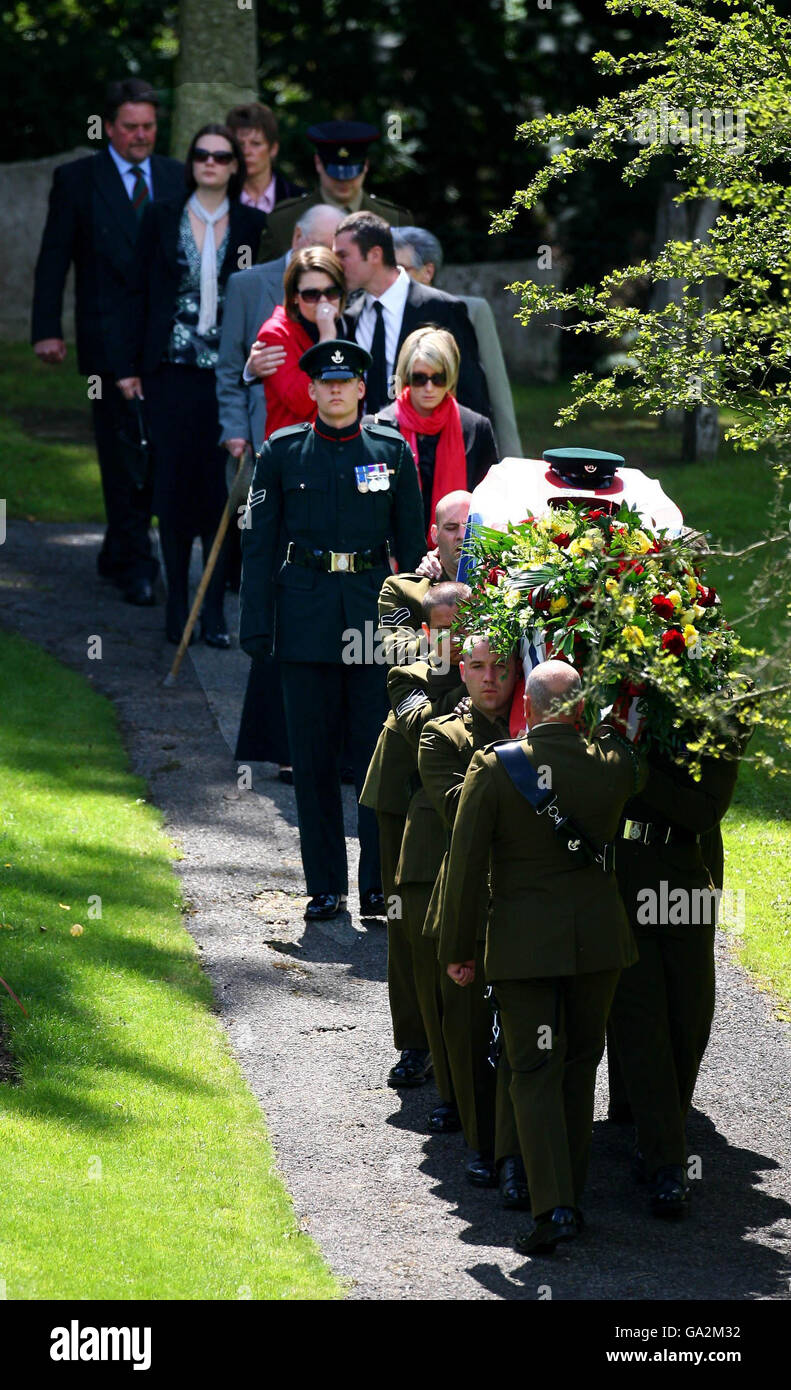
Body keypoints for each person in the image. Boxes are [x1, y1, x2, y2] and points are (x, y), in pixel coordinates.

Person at [440, 661, 645, 1254]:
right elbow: (627, 757)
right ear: (581, 709)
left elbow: (466, 866)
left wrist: (459, 949)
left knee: (532, 1070)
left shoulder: (495, 768)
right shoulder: (614, 767)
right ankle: (573, 1197)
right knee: (579, 1066)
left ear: (525, 708)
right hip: (598, 947)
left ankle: (552, 1205)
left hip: (523, 950)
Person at [239, 339, 425, 921]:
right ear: (313, 390)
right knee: (313, 759)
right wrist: (256, 625)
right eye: (327, 382)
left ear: (363, 389)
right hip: (305, 620)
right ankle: (324, 885)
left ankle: (376, 884)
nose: (338, 390)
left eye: (347, 382)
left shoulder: (391, 452)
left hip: (372, 618)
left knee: (375, 757)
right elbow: (260, 545)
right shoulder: (284, 452)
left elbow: (413, 548)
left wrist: (419, 630)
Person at [31, 78, 184, 606]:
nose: (142, 136)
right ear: (109, 128)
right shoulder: (77, 179)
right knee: (121, 453)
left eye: (149, 126)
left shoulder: (177, 177)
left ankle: (121, 550)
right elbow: (55, 258)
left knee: (161, 450)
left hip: (168, 343)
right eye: (132, 127)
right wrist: (46, 329)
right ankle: (135, 563)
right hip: (106, 343)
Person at [116, 125, 267, 647]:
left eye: (221, 156)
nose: (210, 162)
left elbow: (261, 300)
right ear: (191, 163)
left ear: (234, 166)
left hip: (227, 376)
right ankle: (176, 603)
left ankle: (213, 612)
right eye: (201, 154)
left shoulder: (253, 223)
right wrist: (128, 366)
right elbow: (136, 293)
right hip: (170, 372)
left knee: (221, 490)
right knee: (173, 491)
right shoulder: (161, 216)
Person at [608, 733, 746, 1218]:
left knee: (689, 1020)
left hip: (686, 873)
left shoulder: (716, 707)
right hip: (620, 874)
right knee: (640, 1019)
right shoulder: (609, 706)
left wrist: (642, 773)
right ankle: (666, 1158)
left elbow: (705, 810)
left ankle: (658, 1128)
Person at [361, 492, 472, 1089]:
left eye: (470, 527)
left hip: (475, 779)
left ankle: (471, 1043)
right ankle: (414, 1044)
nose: (461, 536)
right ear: (435, 533)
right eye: (450, 528)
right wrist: (447, 629)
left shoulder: (511, 590)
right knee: (406, 922)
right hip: (407, 779)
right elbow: (405, 672)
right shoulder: (403, 591)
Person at [418, 637, 527, 1208]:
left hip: (523, 906)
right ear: (461, 670)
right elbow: (461, 811)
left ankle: (514, 1153)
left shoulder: (532, 731)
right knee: (466, 1034)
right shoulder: (443, 736)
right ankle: (482, 1145)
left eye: (502, 668)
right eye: (478, 667)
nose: (490, 679)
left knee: (519, 1037)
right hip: (466, 903)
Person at [386, 583, 470, 1131]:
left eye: (457, 629)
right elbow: (419, 730)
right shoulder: (408, 672)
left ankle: (461, 1065)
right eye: (438, 631)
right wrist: (451, 690)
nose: (449, 639)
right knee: (412, 939)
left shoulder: (492, 668)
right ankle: (420, 1048)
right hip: (416, 812)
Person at [217, 204, 345, 460]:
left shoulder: (341, 286)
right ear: (298, 236)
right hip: (274, 432)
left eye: (335, 251)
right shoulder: (247, 284)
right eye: (310, 294)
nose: (322, 301)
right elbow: (229, 365)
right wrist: (235, 428)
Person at [333, 212, 490, 418]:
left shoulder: (443, 309)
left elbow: (472, 396)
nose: (336, 265)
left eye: (343, 256)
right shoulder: (348, 316)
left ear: (374, 255)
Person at [392, 226, 524, 460]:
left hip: (457, 445)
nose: (391, 276)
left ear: (428, 271)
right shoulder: (373, 314)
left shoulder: (470, 310)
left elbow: (497, 391)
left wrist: (510, 458)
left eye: (401, 269)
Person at [363, 327, 496, 541]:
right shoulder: (376, 428)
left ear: (450, 376)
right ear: (406, 377)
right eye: (419, 378)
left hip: (456, 556)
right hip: (392, 557)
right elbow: (368, 504)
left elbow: (488, 502)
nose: (429, 387)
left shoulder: (475, 428)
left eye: (438, 378)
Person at [258, 120, 413, 262]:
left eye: (351, 173)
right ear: (318, 163)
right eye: (335, 174)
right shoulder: (283, 221)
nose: (344, 181)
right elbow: (265, 281)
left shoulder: (394, 220)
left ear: (365, 165)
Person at [244, 247, 347, 437]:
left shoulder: (349, 322)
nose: (323, 302)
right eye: (311, 295)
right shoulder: (275, 333)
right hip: (294, 453)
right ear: (294, 297)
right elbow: (301, 399)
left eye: (331, 292)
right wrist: (326, 341)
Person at [225, 102, 305, 212]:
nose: (246, 152)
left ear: (273, 149)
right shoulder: (220, 199)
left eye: (256, 143)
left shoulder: (298, 199)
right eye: (240, 144)